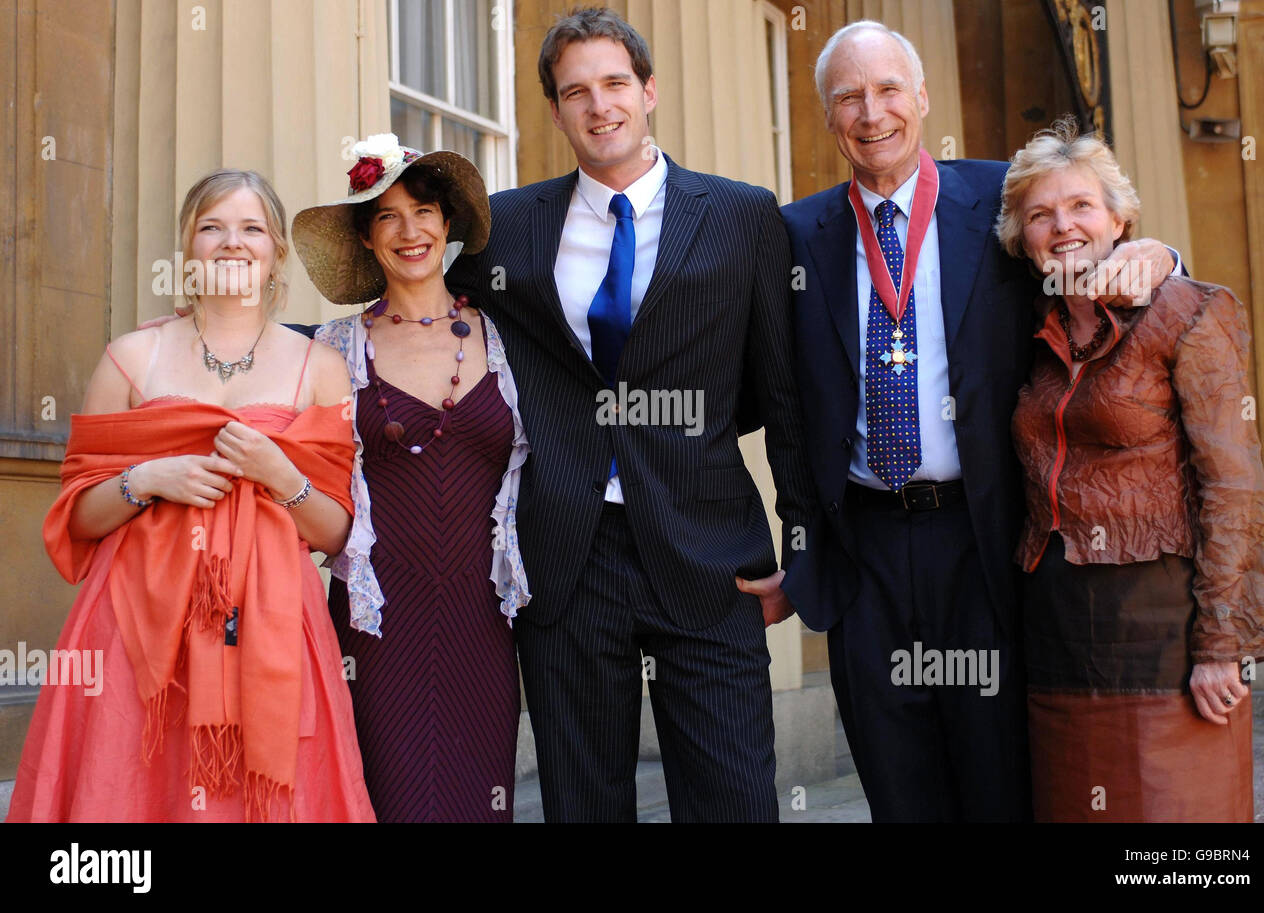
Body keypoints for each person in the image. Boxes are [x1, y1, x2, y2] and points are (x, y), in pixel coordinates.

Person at [779, 20, 1180, 821]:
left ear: (922, 98)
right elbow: (770, 392)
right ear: (829, 115)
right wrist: (790, 546)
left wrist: (1163, 259)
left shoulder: (996, 201)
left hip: (984, 543)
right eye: (849, 96)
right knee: (900, 792)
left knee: (999, 783)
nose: (872, 111)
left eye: (890, 89)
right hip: (864, 555)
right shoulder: (794, 234)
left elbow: (1086, 244)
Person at [445, 7, 821, 823]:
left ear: (648, 91)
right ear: (554, 110)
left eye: (615, 83)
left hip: (710, 550)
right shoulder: (504, 229)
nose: (598, 105)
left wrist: (803, 544)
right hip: (566, 552)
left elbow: (783, 399)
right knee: (583, 803)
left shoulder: (741, 215)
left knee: (734, 801)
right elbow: (414, 323)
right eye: (574, 91)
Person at [7, 169, 373, 822]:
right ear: (187, 248)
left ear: (276, 252)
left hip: (271, 626)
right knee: (128, 791)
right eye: (212, 227)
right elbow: (77, 517)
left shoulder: (319, 367)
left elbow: (336, 530)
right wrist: (146, 480)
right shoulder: (131, 357)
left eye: (251, 228)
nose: (232, 242)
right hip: (134, 628)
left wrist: (277, 472)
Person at [996, 119, 1264, 822]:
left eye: (1081, 206)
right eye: (1040, 214)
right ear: (1019, 238)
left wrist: (1222, 643)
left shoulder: (1187, 312)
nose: (1062, 227)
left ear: (1120, 217)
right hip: (1058, 634)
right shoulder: (1028, 330)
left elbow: (1233, 487)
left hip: (1165, 628)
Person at [290, 137, 529, 822]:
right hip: (372, 624)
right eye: (387, 216)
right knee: (381, 798)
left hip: (482, 622)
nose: (410, 230)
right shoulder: (328, 349)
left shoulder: (504, 338)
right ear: (367, 239)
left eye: (423, 210)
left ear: (447, 224)